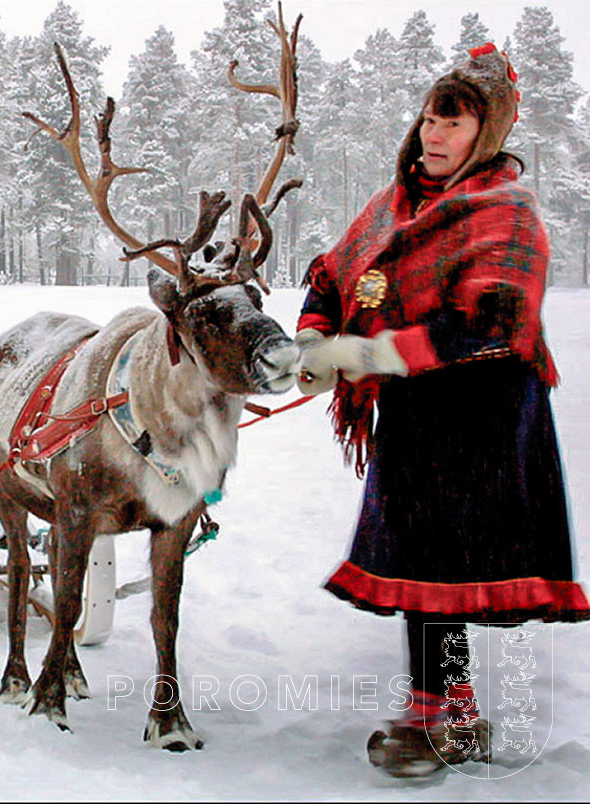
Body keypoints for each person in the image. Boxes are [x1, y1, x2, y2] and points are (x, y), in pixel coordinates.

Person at [295, 44, 589, 777]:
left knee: (443, 569)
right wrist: (313, 334)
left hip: (481, 418)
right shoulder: (394, 204)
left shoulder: (506, 214)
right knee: (424, 570)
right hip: (415, 414)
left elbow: (490, 326)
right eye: (431, 118)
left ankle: (437, 718)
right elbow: (333, 274)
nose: (435, 135)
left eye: (454, 125)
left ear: (485, 135)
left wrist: (363, 358)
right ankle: (450, 713)